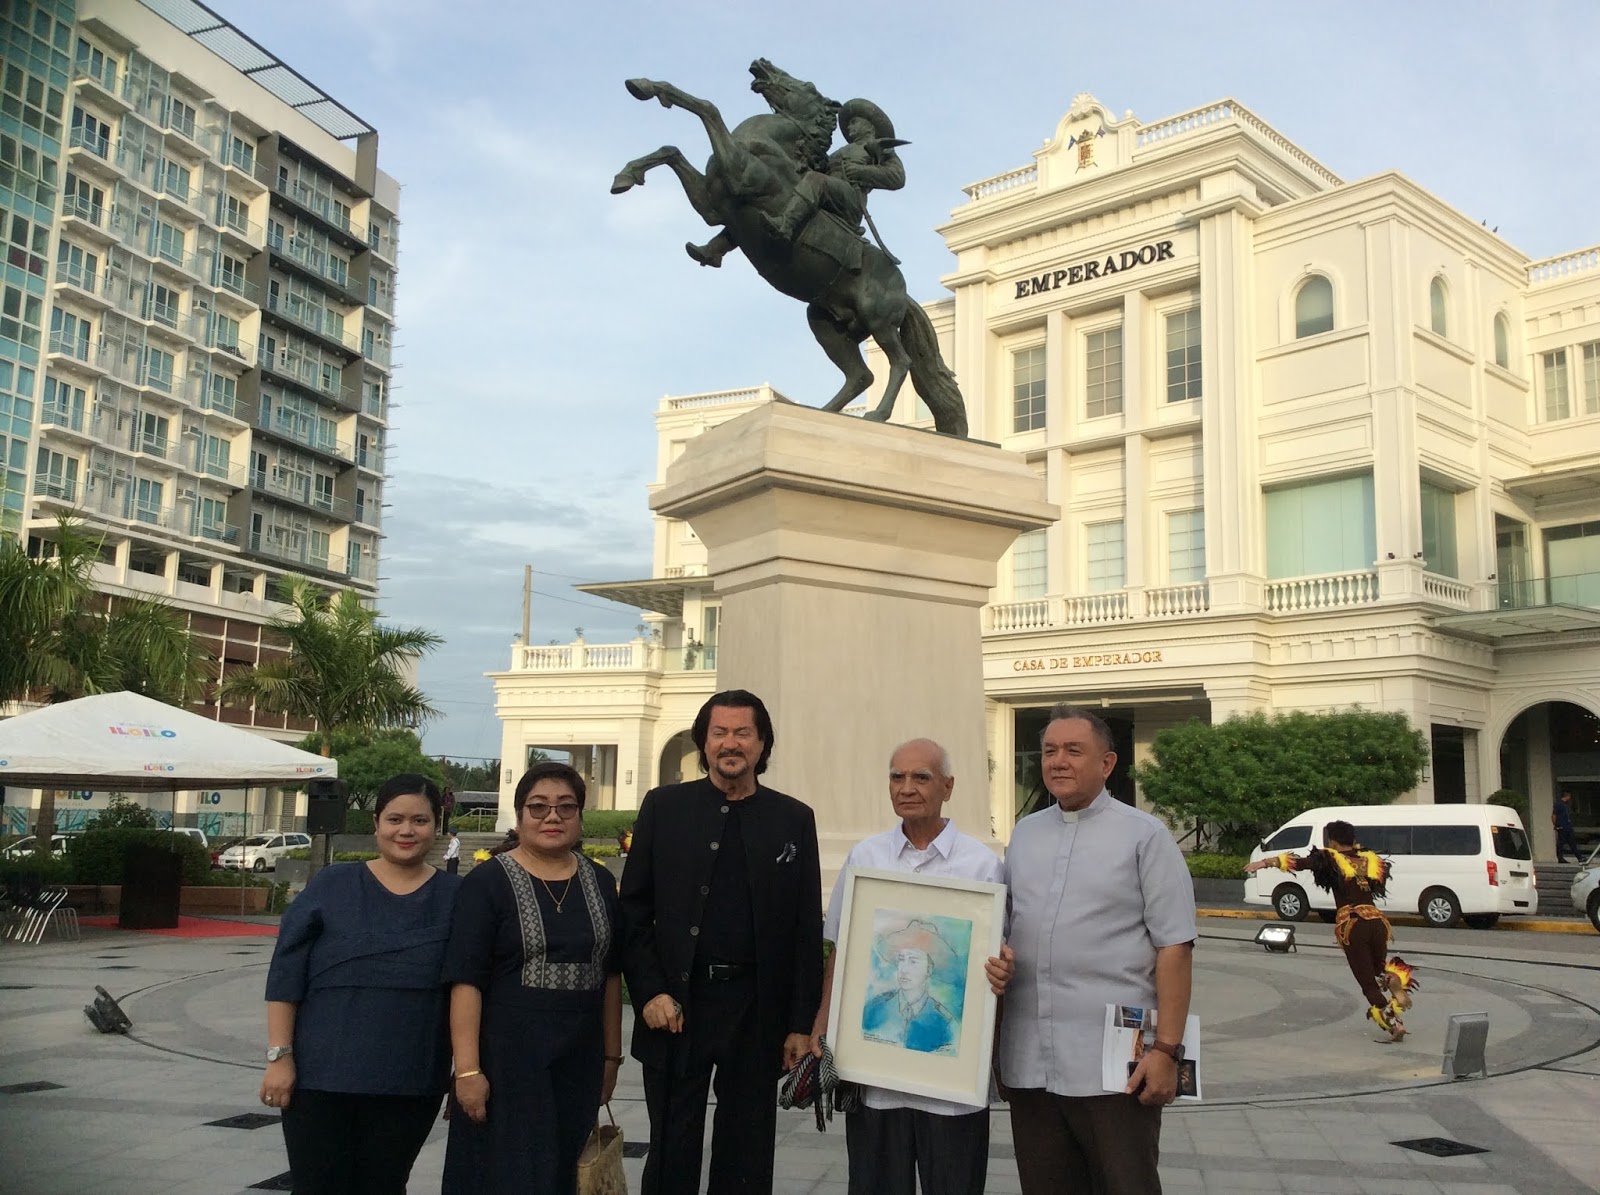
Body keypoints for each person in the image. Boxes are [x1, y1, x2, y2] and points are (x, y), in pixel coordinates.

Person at [620, 689, 823, 1195]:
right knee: (671, 1151)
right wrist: (649, 991)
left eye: (742, 733)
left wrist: (800, 1024)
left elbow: (804, 930)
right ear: (704, 742)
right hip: (676, 1006)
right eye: (719, 733)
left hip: (756, 1012)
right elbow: (634, 912)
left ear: (762, 743)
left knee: (746, 1154)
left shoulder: (793, 819)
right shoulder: (664, 808)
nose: (730, 743)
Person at [993, 705, 1195, 1195]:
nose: (1058, 761)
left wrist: (1166, 1050)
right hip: (1030, 1058)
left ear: (1107, 764)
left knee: (1126, 1183)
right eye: (1049, 751)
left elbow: (1175, 946)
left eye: (1073, 750)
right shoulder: (1025, 835)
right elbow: (1005, 926)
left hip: (1116, 1063)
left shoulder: (1145, 836)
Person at [813, 738, 1009, 1195]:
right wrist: (822, 1026)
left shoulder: (983, 867)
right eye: (896, 777)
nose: (907, 787)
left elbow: (995, 961)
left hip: (953, 1089)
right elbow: (842, 949)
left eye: (921, 777)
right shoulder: (866, 858)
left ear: (948, 787)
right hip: (875, 1082)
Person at [260, 773, 461, 1194]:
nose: (406, 830)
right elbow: (286, 974)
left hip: (410, 1080)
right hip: (320, 1078)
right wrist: (280, 1057)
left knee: (384, 1185)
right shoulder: (332, 884)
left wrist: (468, 1069)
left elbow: (471, 988)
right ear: (376, 823)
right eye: (395, 819)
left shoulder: (458, 896)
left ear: (437, 826)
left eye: (420, 820)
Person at [441, 761, 623, 1194]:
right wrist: (467, 1071)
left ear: (580, 815)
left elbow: (611, 974)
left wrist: (611, 1059)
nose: (552, 817)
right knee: (508, 1175)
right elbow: (466, 980)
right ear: (520, 814)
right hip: (506, 1065)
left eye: (566, 807)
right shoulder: (487, 883)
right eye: (538, 807)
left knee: (565, 1174)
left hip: (577, 1061)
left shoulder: (599, 881)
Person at [1245, 820, 1420, 1040]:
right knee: (1378, 969)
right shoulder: (1369, 860)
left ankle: (1395, 1024)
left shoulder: (1331, 858)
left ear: (1333, 841)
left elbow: (1301, 863)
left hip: (1353, 924)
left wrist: (1266, 862)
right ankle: (1392, 978)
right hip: (1377, 921)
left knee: (1367, 983)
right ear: (1352, 839)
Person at [688, 97, 906, 269]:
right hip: (828, 195)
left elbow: (897, 177)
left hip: (849, 201)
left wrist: (861, 171)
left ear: (869, 126)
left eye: (855, 122)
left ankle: (785, 225)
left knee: (815, 180)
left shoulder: (881, 147)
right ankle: (716, 249)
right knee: (774, 197)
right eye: (849, 124)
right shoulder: (843, 151)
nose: (849, 128)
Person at [1554, 791, 1582, 863]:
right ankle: (1560, 858)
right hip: (1562, 827)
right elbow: (1554, 815)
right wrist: (1556, 825)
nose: (1569, 798)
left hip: (1568, 826)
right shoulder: (1558, 804)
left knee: (1572, 842)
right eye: (1569, 796)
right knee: (1561, 843)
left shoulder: (1567, 805)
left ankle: (1579, 857)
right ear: (1566, 796)